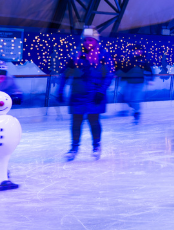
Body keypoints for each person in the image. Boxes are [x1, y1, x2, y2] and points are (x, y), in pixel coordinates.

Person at [63, 31, 112, 160]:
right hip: (77, 93)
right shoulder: (75, 54)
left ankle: (96, 145)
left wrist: (101, 91)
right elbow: (66, 73)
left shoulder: (103, 54)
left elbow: (109, 74)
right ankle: (74, 147)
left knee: (93, 120)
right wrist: (60, 89)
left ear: (96, 41)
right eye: (86, 40)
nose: (88, 43)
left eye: (91, 40)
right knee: (76, 122)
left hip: (95, 94)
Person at [120, 53, 148, 121]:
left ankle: (136, 111)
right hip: (130, 82)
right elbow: (125, 70)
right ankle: (134, 108)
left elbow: (148, 70)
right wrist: (123, 78)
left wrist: (149, 78)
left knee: (135, 97)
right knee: (127, 97)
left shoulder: (143, 61)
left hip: (139, 82)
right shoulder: (130, 61)